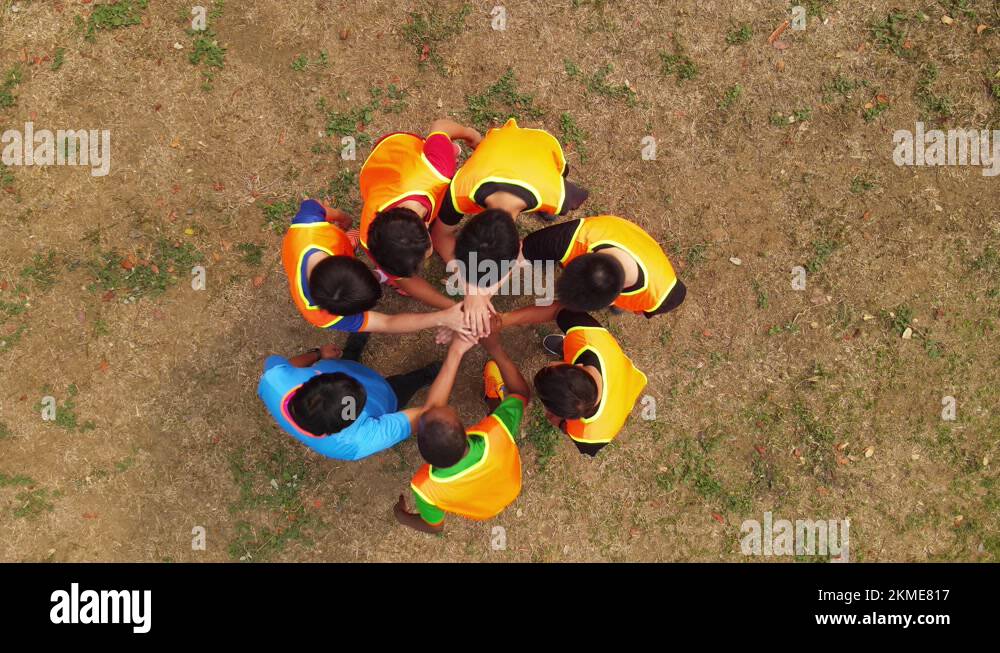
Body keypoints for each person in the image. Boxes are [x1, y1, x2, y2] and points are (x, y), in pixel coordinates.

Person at [394, 319, 531, 532]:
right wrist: (496, 349)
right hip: (511, 486)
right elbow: (521, 394)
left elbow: (435, 527)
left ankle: (492, 395)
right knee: (499, 413)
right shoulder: (495, 433)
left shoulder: (424, 487)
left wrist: (402, 516)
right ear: (466, 431)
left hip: (483, 511)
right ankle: (493, 396)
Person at [281, 198, 468, 336]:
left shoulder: (308, 226)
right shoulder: (322, 316)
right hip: (336, 245)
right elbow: (387, 323)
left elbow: (312, 204)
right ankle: (377, 271)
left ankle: (356, 248)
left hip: (333, 241)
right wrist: (441, 317)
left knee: (349, 240)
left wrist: (342, 218)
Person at [257, 333, 442, 461]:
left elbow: (282, 366)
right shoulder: (355, 443)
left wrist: (318, 353)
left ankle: (352, 353)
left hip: (343, 366)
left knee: (348, 362)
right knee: (402, 385)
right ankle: (427, 374)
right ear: (344, 425)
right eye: (360, 402)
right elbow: (427, 414)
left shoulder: (274, 381)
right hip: (386, 397)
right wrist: (453, 359)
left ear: (311, 382)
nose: (359, 384)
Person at [359, 119, 482, 311]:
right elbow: (406, 281)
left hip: (401, 146)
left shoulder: (437, 171)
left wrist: (470, 134)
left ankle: (445, 148)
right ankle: (443, 147)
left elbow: (440, 126)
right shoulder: (369, 239)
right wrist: (454, 307)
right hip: (381, 165)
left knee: (442, 150)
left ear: (426, 228)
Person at [532, 309, 647, 457]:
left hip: (624, 386)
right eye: (555, 366)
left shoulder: (588, 436)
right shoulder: (590, 338)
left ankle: (566, 349)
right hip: (628, 380)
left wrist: (561, 424)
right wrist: (560, 423)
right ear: (578, 366)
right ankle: (566, 347)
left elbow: (571, 431)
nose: (550, 363)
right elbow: (559, 310)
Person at [521, 215, 686, 317]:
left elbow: (677, 293)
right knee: (534, 251)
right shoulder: (572, 239)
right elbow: (520, 252)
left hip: (657, 276)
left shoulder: (658, 298)